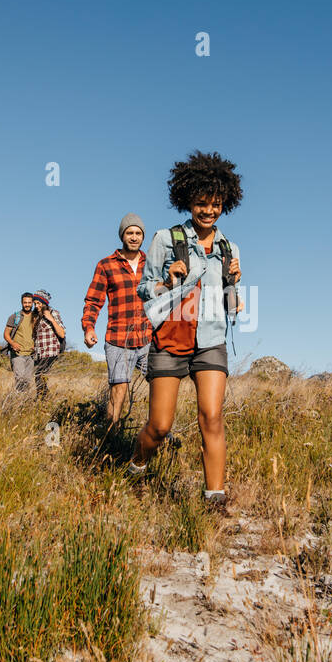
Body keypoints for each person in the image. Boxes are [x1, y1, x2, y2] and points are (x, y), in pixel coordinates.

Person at [130, 150, 243, 513]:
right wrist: (166, 280)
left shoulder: (229, 247)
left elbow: (230, 303)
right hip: (171, 339)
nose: (209, 211)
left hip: (210, 341)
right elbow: (145, 289)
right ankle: (137, 467)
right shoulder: (166, 238)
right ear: (188, 201)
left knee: (211, 417)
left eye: (216, 204)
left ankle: (215, 501)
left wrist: (234, 286)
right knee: (160, 426)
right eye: (201, 203)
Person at [82, 213, 153, 427]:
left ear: (143, 237)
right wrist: (89, 327)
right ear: (122, 235)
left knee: (160, 385)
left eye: (138, 233)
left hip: (150, 337)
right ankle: (111, 435)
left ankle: (158, 433)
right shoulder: (106, 265)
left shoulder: (152, 264)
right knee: (118, 387)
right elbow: (93, 300)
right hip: (118, 338)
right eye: (129, 232)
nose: (134, 237)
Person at [28, 289, 65, 399]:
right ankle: (44, 398)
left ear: (44, 303)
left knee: (40, 374)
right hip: (40, 352)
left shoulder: (54, 313)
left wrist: (51, 319)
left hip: (51, 350)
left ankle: (43, 399)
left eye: (38, 303)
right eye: (35, 303)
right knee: (39, 376)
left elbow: (62, 334)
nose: (36, 306)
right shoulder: (36, 316)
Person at [3, 292, 39, 393]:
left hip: (31, 354)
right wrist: (12, 343)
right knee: (20, 379)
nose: (27, 304)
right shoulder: (14, 317)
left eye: (29, 302)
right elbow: (6, 334)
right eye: (25, 302)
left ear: (32, 303)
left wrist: (35, 345)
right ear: (21, 303)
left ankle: (24, 403)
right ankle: (18, 401)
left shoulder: (36, 317)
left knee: (27, 381)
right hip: (18, 354)